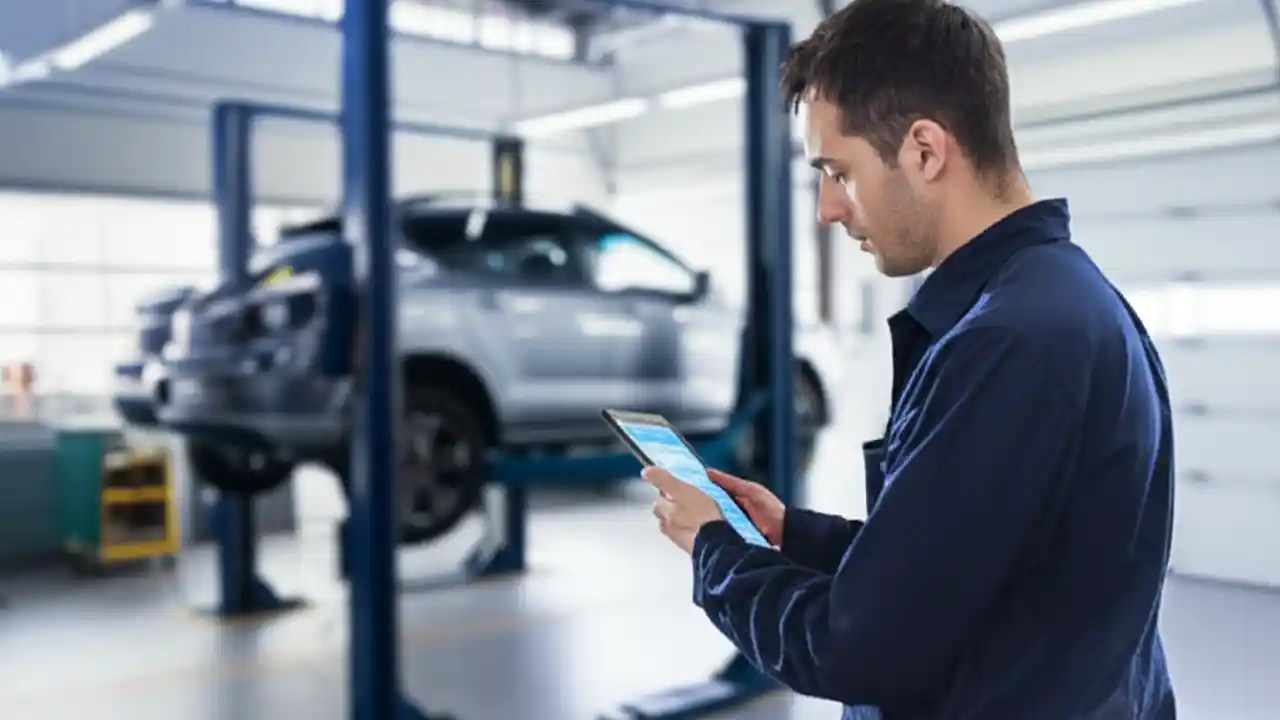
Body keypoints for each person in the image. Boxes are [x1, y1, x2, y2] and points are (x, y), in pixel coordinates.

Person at [641, 1, 1178, 718]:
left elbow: (859, 649)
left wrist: (713, 550)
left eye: (838, 172)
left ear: (925, 150)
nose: (828, 209)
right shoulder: (1065, 300)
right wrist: (794, 534)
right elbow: (959, 566)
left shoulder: (1006, 342)